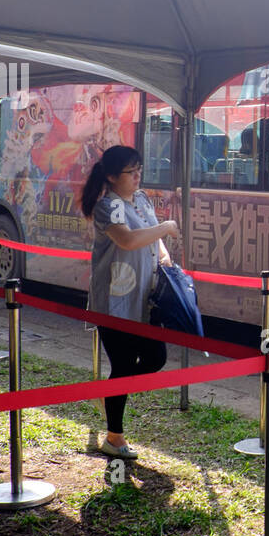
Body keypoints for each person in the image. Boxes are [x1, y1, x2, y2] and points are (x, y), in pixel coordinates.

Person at [80, 145, 178, 459]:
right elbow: (128, 239)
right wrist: (166, 227)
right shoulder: (108, 206)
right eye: (130, 172)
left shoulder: (141, 199)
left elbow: (152, 239)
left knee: (155, 358)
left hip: (145, 297)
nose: (137, 176)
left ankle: (111, 392)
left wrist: (165, 257)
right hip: (116, 300)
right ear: (111, 176)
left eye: (139, 170)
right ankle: (115, 437)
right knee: (122, 364)